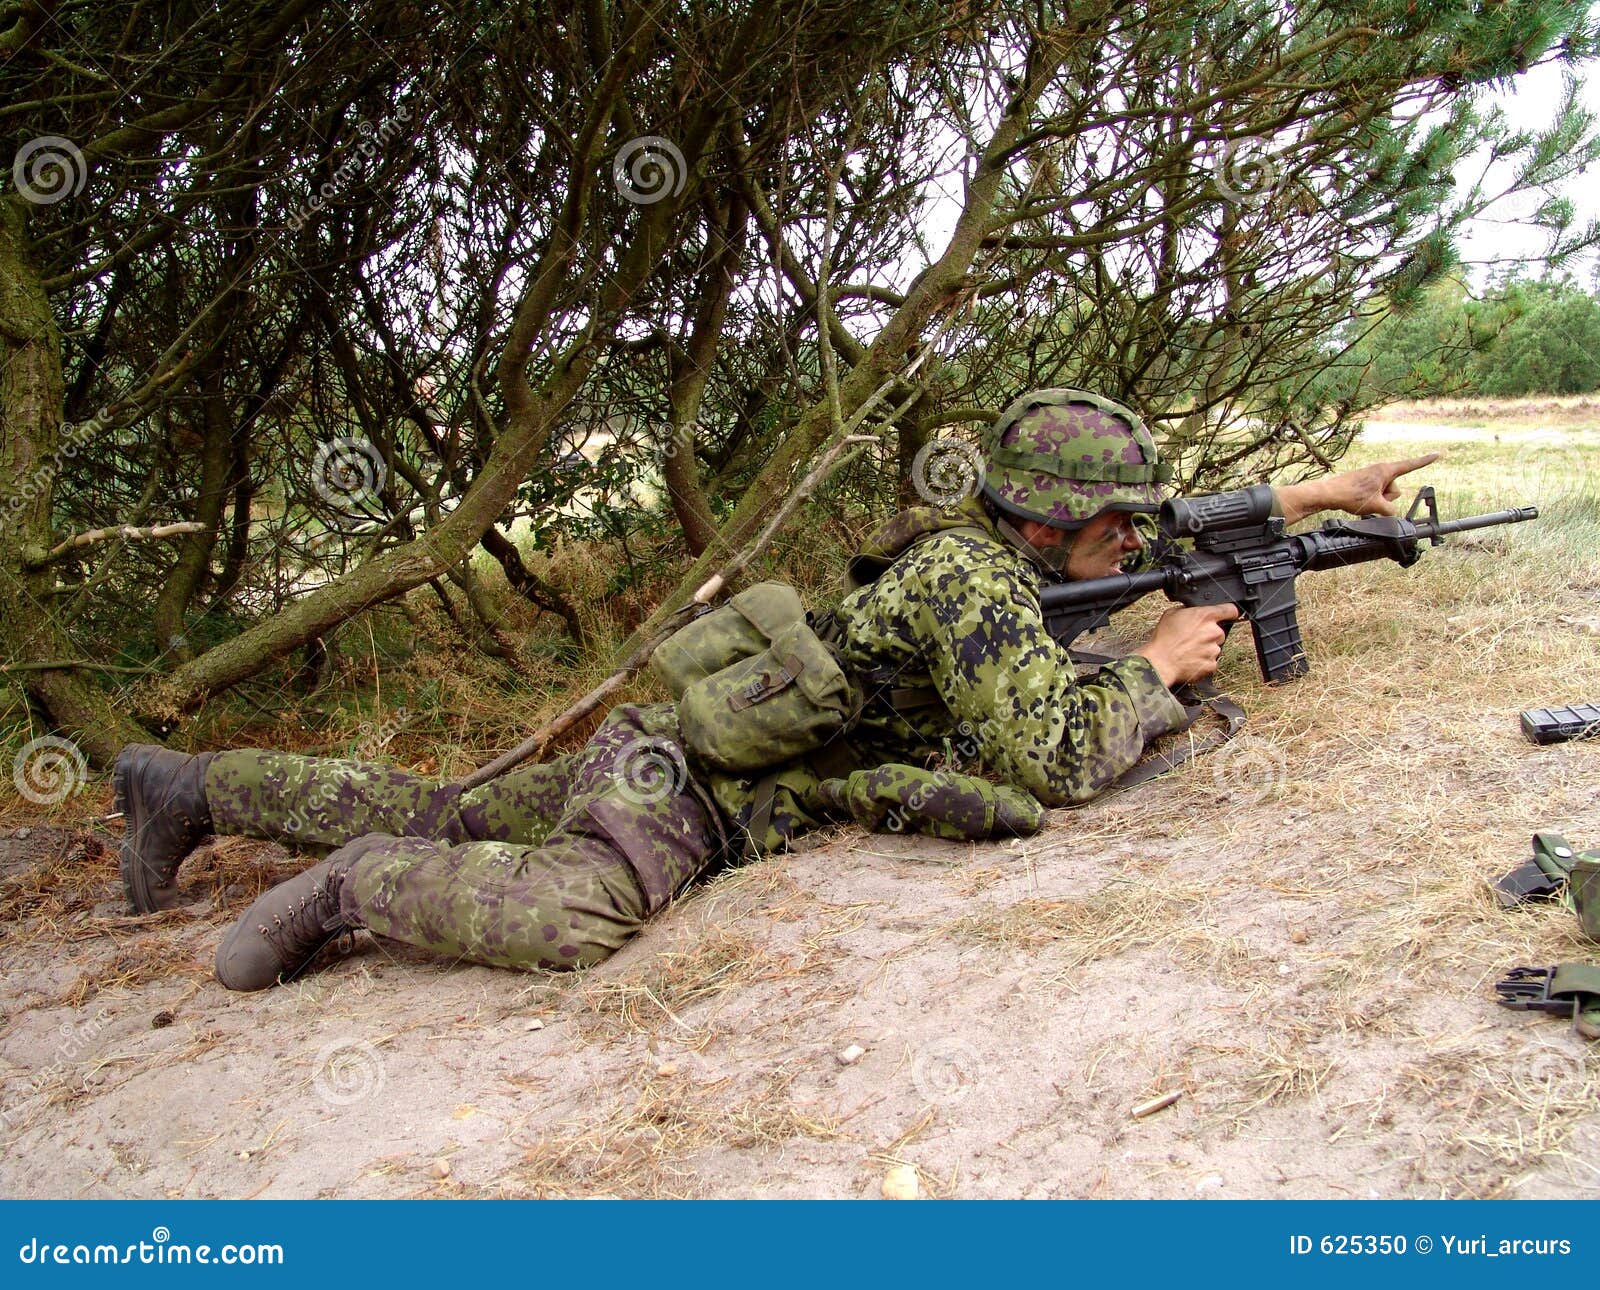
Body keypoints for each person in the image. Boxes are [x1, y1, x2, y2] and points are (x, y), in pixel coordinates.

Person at [114, 388, 1436, 991]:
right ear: (1047, 527)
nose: (1138, 552)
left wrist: (1314, 494)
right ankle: (349, 884)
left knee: (444, 800)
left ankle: (179, 785)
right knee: (579, 909)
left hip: (680, 739)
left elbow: (1165, 512)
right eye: (1115, 534)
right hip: (696, 778)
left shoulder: (1002, 553)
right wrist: (1153, 668)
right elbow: (1055, 755)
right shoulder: (972, 584)